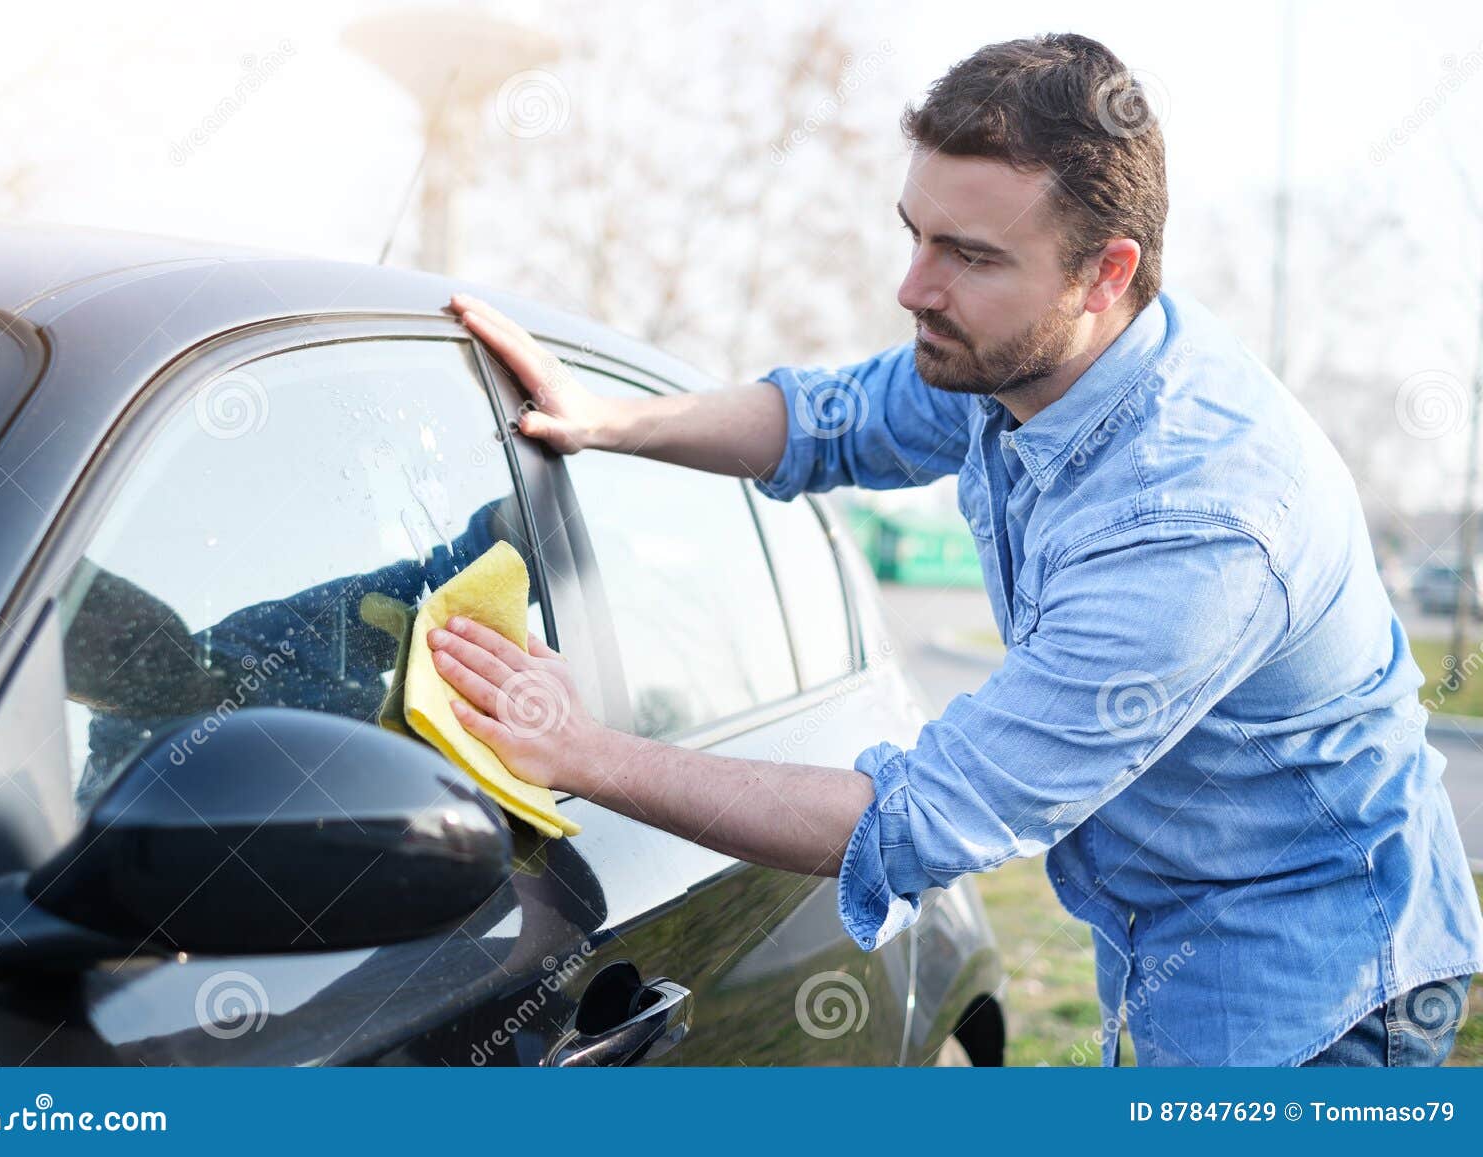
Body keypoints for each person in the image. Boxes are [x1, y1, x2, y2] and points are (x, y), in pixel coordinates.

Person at [430, 33, 1483, 1066]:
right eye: (916, 233)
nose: (912, 288)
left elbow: (915, 818)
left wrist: (582, 753)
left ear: (1102, 273)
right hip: (1179, 929)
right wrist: (607, 419)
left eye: (969, 256)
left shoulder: (1196, 522)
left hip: (1321, 980)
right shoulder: (1024, 356)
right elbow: (828, 421)